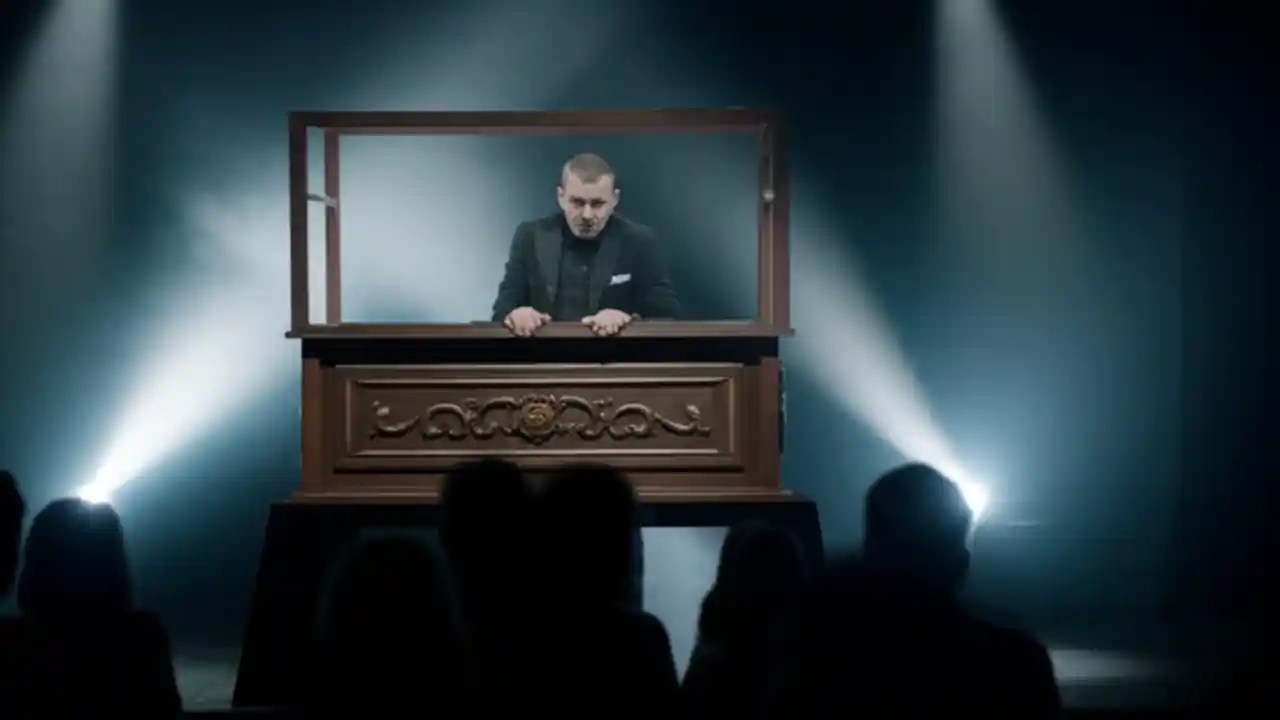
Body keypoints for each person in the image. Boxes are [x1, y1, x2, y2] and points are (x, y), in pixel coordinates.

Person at [491, 152, 680, 337]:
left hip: (612, 362)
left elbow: (667, 318)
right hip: (544, 361)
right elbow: (502, 309)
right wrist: (516, 315)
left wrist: (627, 320)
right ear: (560, 196)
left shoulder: (639, 242)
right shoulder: (529, 237)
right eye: (578, 203)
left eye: (597, 204)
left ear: (615, 199)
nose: (587, 215)